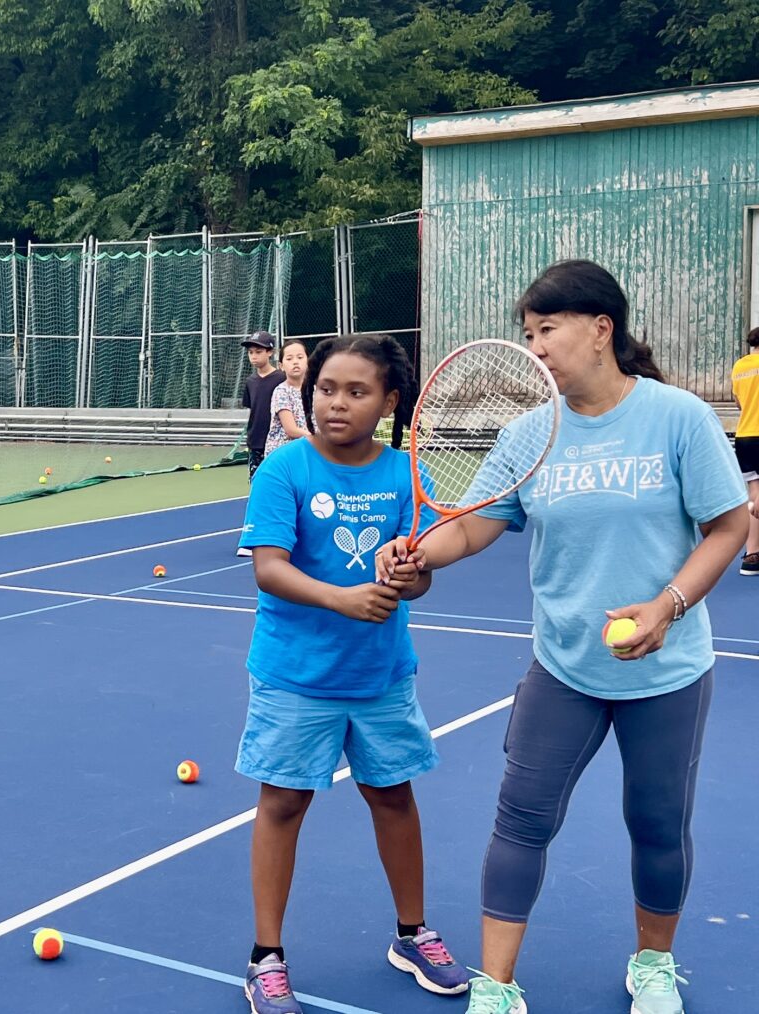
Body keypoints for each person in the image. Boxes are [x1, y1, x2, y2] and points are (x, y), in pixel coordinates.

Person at [375, 260, 749, 1014]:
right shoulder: (527, 434)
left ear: (601, 328)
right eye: (528, 335)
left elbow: (730, 524)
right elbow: (476, 525)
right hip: (564, 668)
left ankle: (652, 965)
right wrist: (419, 557)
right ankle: (497, 987)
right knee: (521, 819)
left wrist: (667, 604)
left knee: (655, 822)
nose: (536, 347)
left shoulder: (677, 418)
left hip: (667, 670)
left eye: (547, 330)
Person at [236, 333, 469, 1014]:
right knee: (283, 804)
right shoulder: (285, 471)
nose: (336, 403)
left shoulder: (405, 475)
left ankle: (412, 933)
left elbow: (417, 581)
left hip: (380, 677)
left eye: (356, 391)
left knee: (393, 797)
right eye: (327, 390)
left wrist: (407, 573)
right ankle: (266, 957)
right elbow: (269, 567)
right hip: (293, 677)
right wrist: (342, 598)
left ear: (389, 401)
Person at [237, 331, 286, 558]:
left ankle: (282, 535)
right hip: (256, 442)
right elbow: (252, 411)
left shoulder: (281, 379)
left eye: (258, 352)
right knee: (258, 489)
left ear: (270, 352)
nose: (254, 356)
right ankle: (253, 539)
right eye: (250, 353)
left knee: (282, 490)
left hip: (278, 442)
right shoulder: (250, 382)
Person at [731, 325, 759, 575]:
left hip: (745, 435)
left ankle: (752, 555)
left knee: (754, 494)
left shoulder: (740, 367)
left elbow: (739, 402)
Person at [264, 340, 309, 457]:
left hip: (308, 450)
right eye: (289, 359)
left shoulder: (316, 390)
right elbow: (291, 430)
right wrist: (318, 438)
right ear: (281, 366)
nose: (295, 362)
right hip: (283, 455)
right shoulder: (281, 391)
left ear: (308, 361)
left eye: (300, 357)